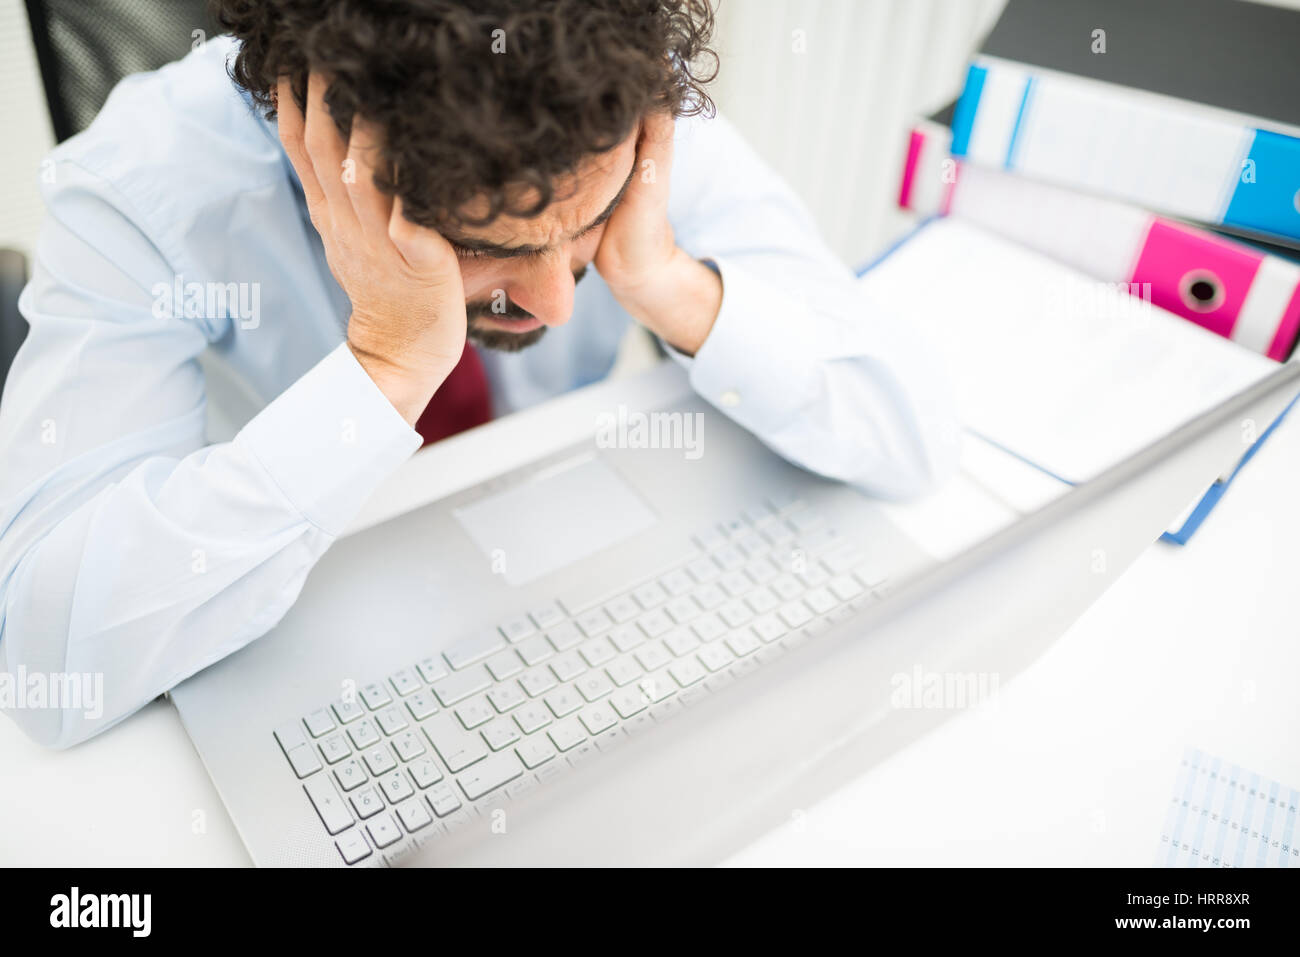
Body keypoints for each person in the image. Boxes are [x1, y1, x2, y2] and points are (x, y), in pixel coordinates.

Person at [0, 0, 955, 748]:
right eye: (476, 245)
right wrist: (386, 363)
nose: (556, 304)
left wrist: (669, 282)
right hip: (309, 619)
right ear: (332, 151)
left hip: (567, 599)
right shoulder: (145, 181)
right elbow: (48, 661)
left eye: (586, 220)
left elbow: (909, 432)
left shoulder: (604, 106)